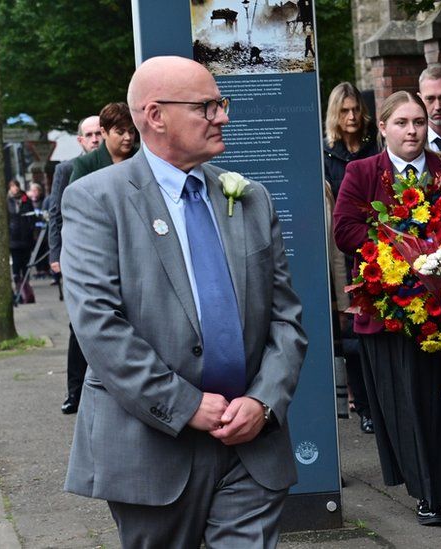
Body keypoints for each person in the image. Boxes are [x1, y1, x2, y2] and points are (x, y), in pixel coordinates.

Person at [60, 55, 307, 547]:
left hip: (250, 449)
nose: (223, 116)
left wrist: (264, 401)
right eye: (207, 106)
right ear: (155, 115)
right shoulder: (96, 199)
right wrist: (184, 405)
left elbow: (286, 317)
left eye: (221, 103)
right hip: (152, 448)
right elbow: (98, 326)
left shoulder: (250, 198)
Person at [333, 90, 441, 527]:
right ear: (385, 127)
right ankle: (424, 491)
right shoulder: (363, 171)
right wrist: (393, 253)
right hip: (388, 307)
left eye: (419, 122)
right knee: (405, 401)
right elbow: (345, 229)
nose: (413, 131)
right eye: (403, 123)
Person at [56, 104, 139, 415]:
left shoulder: (140, 160)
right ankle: (76, 390)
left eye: (132, 131)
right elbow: (68, 213)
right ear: (104, 134)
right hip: (97, 251)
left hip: (133, 250)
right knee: (84, 325)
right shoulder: (87, 164)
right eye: (121, 132)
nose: (128, 138)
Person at [323, 82, 379, 434]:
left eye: (355, 109)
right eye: (344, 111)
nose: (352, 116)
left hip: (374, 240)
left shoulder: (375, 147)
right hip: (343, 246)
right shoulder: (327, 154)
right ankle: (363, 404)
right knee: (351, 330)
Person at [49, 115, 102, 279]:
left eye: (98, 133)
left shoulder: (123, 165)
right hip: (81, 249)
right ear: (80, 140)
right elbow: (56, 213)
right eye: (89, 135)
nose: (94, 139)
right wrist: (55, 252)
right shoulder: (66, 169)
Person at [7, 179, 35, 301]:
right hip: (13, 237)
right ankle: (18, 284)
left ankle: (26, 285)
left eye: (16, 186)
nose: (15, 189)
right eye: (13, 186)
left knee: (26, 262)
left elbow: (31, 216)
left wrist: (30, 229)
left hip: (25, 237)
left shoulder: (25, 199)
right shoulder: (6, 200)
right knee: (16, 262)